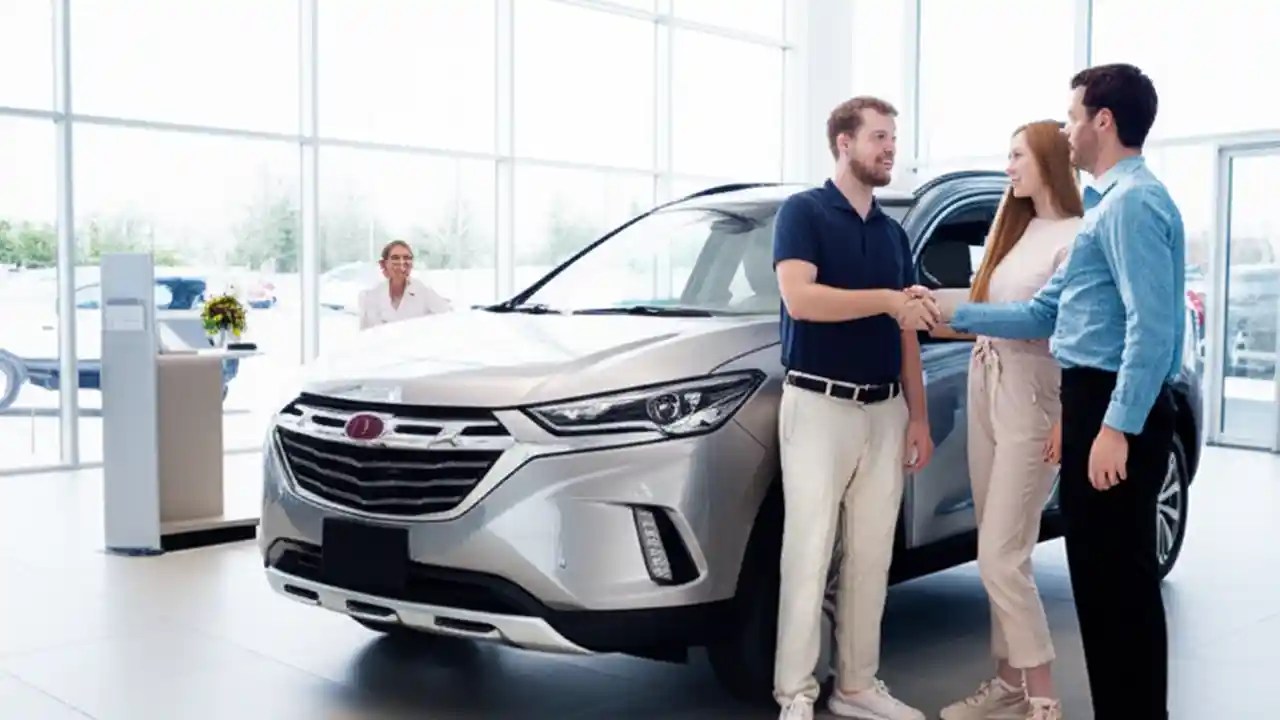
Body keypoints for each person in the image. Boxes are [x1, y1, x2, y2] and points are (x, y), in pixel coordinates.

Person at [938, 63, 1184, 720]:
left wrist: (1115, 426)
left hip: (1108, 405)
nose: (1067, 127)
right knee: (1101, 588)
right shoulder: (1108, 207)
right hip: (1089, 400)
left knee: (1119, 588)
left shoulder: (1134, 205)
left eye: (1073, 115)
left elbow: (1153, 328)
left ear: (1103, 121)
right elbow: (1044, 314)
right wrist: (949, 312)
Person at [772, 96, 940, 720]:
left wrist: (917, 416)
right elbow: (801, 299)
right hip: (818, 406)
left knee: (873, 554)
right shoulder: (804, 212)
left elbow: (907, 332)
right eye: (878, 136)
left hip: (885, 410)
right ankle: (795, 692)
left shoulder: (894, 234)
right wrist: (886, 300)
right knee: (809, 550)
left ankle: (857, 687)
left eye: (893, 136)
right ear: (843, 143)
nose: (890, 147)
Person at [933, 121, 1084, 720]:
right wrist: (925, 301)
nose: (1009, 166)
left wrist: (1068, 416)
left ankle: (1043, 695)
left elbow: (1052, 324)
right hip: (985, 387)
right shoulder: (1015, 229)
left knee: (1001, 555)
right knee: (997, 553)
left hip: (1033, 399)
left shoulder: (1077, 236)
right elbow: (990, 305)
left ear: (1046, 159)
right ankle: (1008, 684)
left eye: (1017, 154)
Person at [358, 240, 452, 330]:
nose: (401, 263)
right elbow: (365, 337)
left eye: (406, 258)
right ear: (385, 264)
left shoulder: (424, 293)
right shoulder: (370, 298)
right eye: (395, 258)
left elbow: (449, 318)